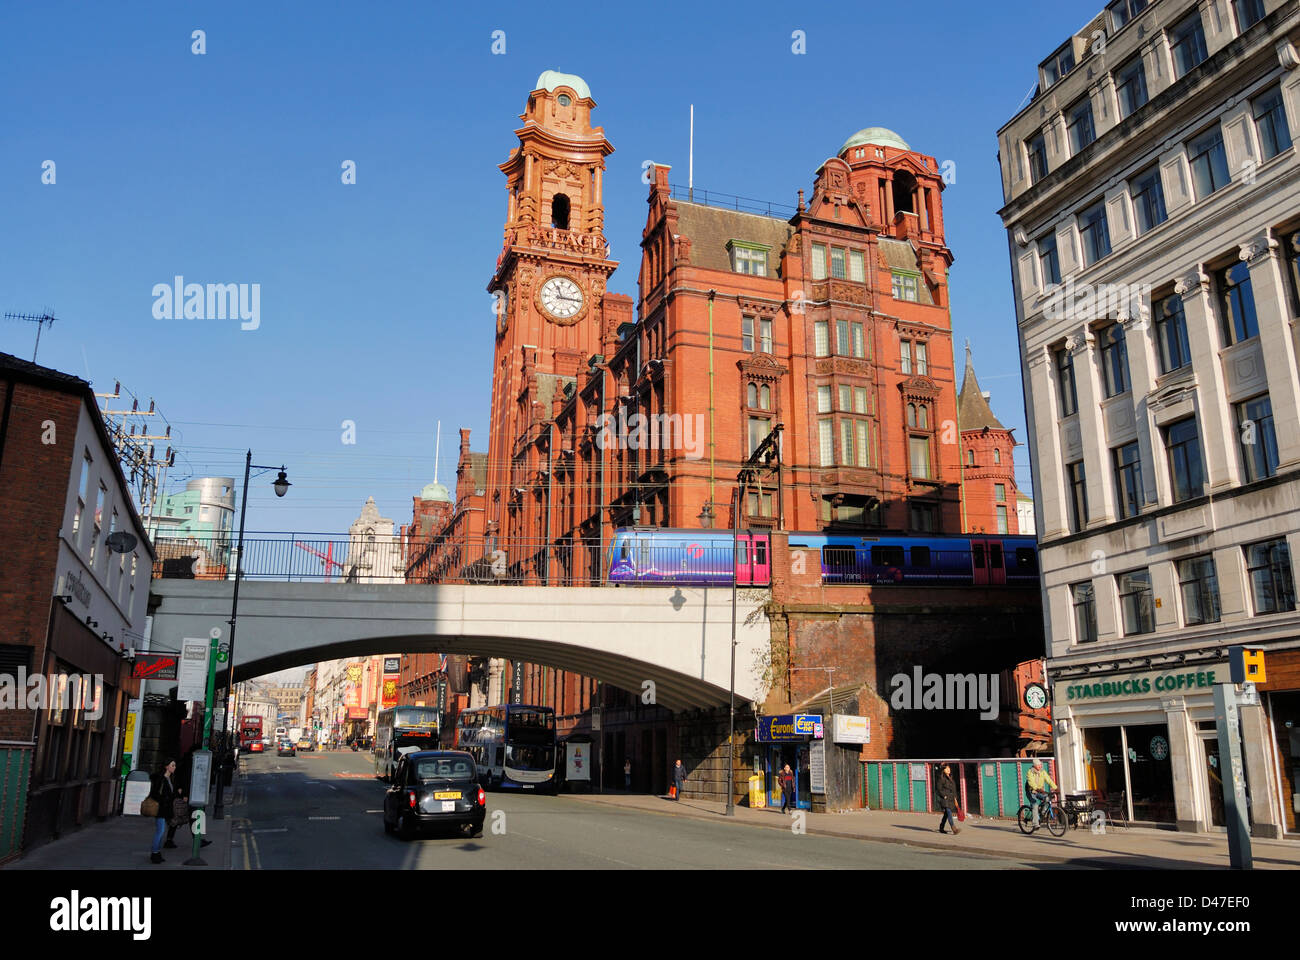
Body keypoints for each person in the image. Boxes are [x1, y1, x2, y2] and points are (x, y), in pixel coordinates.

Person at [148, 759, 179, 863]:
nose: (174, 767)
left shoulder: (169, 778)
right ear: (167, 767)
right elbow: (155, 794)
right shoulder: (161, 779)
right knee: (160, 831)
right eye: (172, 765)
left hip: (165, 809)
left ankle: (157, 852)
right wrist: (164, 800)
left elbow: (169, 794)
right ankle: (155, 853)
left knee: (161, 831)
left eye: (174, 765)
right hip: (160, 809)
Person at [1026, 757, 1057, 827]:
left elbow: (1049, 780)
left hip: (1039, 791)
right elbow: (1031, 783)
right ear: (1034, 765)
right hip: (1031, 791)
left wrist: (1056, 788)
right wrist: (1037, 789)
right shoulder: (1030, 772)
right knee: (1035, 805)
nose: (1040, 766)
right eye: (1038, 765)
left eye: (1040, 765)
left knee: (1047, 798)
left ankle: (1043, 812)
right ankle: (1036, 824)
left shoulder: (1042, 772)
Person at [936, 764, 960, 835]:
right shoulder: (941, 779)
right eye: (946, 769)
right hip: (945, 799)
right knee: (949, 813)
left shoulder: (950, 778)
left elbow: (954, 789)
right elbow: (939, 789)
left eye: (949, 768)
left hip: (951, 798)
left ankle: (941, 827)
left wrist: (955, 797)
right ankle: (954, 828)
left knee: (946, 814)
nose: (948, 770)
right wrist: (944, 796)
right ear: (943, 770)